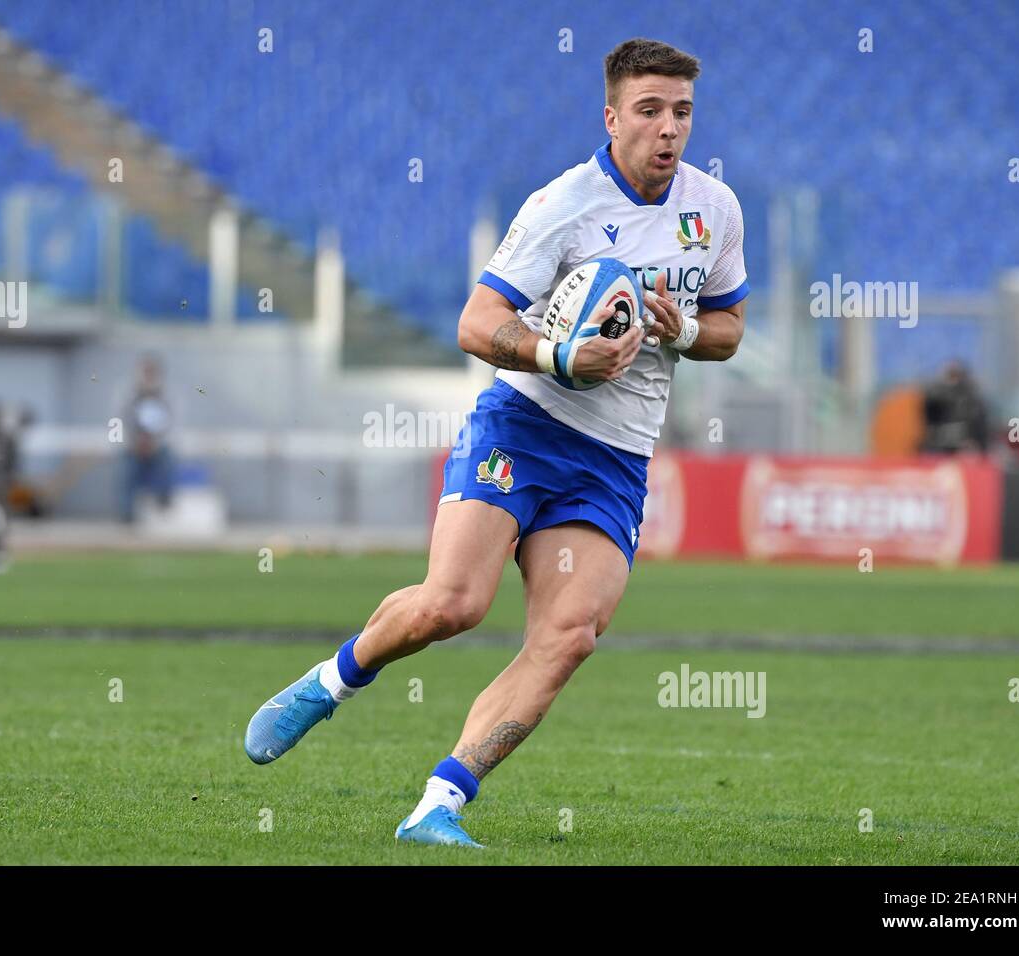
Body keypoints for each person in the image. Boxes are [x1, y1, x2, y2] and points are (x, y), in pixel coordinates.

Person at [243, 38, 748, 847]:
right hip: (524, 424)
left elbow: (728, 330)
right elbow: (476, 322)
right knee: (455, 605)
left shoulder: (715, 210)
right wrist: (560, 354)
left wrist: (682, 327)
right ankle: (334, 678)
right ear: (611, 115)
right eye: (649, 110)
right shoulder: (564, 206)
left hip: (614, 459)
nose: (668, 129)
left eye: (682, 112)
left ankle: (437, 806)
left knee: (569, 636)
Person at [120, 355, 174, 522]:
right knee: (126, 469)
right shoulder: (127, 394)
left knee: (167, 462)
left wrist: (153, 444)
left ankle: (163, 507)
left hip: (158, 447)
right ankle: (127, 515)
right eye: (145, 371)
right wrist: (134, 444)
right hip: (133, 447)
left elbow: (172, 425)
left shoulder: (168, 395)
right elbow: (117, 422)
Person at [921, 360, 989, 453]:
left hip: (966, 444)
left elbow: (978, 421)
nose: (953, 380)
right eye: (950, 374)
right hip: (939, 444)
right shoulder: (936, 393)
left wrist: (974, 440)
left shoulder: (970, 395)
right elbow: (929, 417)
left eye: (955, 374)